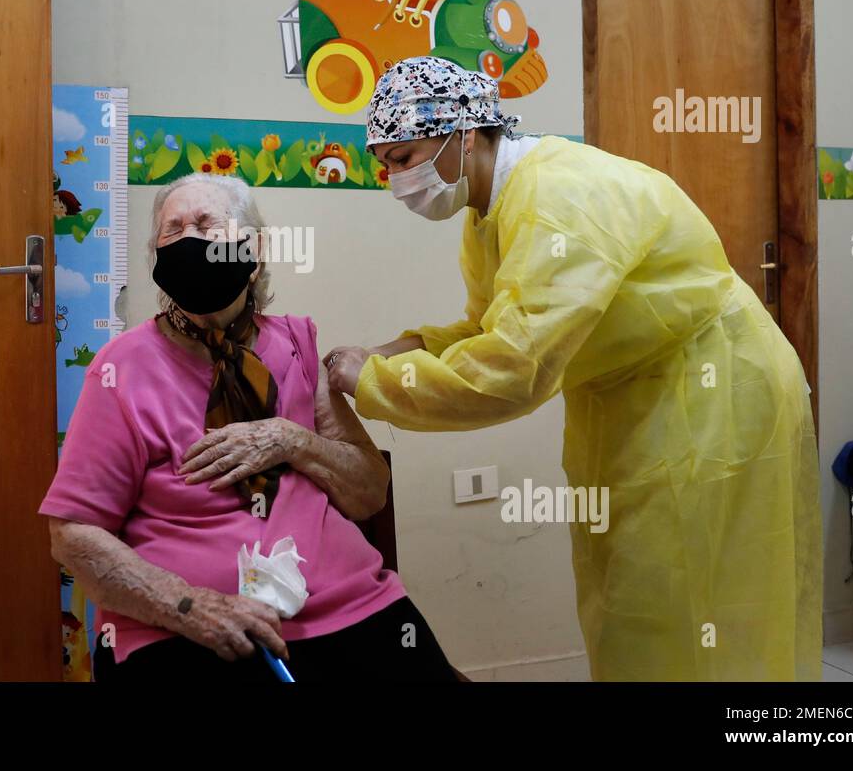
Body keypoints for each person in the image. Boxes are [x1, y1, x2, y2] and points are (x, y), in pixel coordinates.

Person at [322, 55, 823, 681]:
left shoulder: (558, 198)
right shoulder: (490, 213)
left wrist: (370, 381)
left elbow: (512, 369)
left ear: (466, 132)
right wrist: (401, 348)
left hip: (712, 389)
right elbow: (492, 327)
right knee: (625, 595)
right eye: (385, 164)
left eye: (404, 157)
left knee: (691, 598)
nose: (395, 179)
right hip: (632, 394)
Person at [40, 172, 458, 682]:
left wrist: (292, 439)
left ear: (254, 250)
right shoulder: (120, 368)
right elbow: (74, 533)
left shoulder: (298, 345)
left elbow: (368, 492)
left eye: (206, 224)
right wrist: (191, 606)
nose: (190, 239)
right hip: (186, 625)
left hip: (344, 604)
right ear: (156, 259)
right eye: (173, 232)